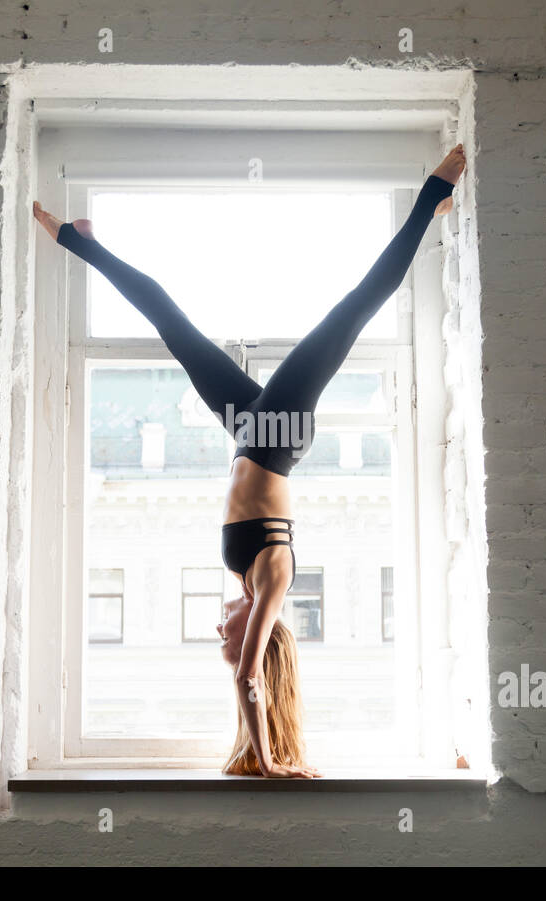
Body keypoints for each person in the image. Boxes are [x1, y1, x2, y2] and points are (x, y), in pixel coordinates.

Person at [34, 144, 466, 777]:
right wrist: (267, 761)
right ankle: (431, 197)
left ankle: (80, 239)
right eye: (231, 633)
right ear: (262, 640)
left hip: (247, 430)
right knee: (353, 310)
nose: (221, 628)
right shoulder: (274, 580)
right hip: (279, 433)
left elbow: (242, 667)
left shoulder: (245, 576)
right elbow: (248, 675)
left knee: (173, 327)